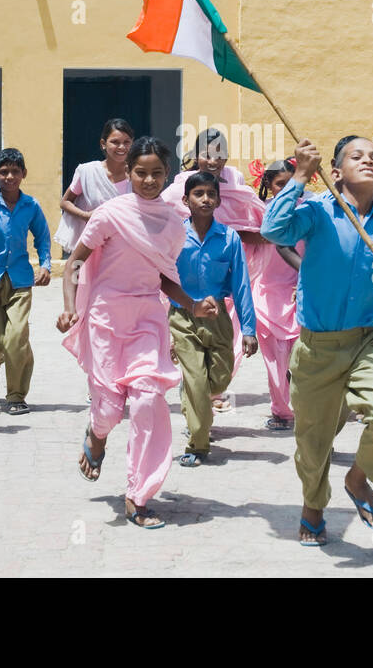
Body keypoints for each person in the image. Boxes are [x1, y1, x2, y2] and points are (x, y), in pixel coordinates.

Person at [262, 136, 373, 546]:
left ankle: (358, 481)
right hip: (317, 346)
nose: (370, 162)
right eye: (357, 157)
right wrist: (300, 177)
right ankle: (313, 507)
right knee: (313, 440)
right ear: (336, 172)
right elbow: (273, 229)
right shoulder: (318, 212)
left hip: (364, 343)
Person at [57, 137, 212, 529]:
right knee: (108, 412)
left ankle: (138, 495)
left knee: (147, 401)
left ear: (167, 174)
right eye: (140, 173)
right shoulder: (109, 214)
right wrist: (69, 307)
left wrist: (192, 305)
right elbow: (74, 263)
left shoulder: (173, 222)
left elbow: (164, 279)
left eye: (156, 173)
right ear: (128, 173)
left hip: (146, 320)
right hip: (106, 320)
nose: (148, 180)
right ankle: (97, 434)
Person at [163, 127, 267, 407]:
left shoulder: (235, 180)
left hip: (228, 266)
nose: (213, 161)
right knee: (192, 339)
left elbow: (246, 216)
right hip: (190, 274)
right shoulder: (181, 186)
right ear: (196, 156)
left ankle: (212, 389)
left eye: (220, 155)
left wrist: (253, 234)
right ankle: (199, 395)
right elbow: (166, 222)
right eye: (207, 155)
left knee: (227, 338)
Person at [171, 171, 258, 466]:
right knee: (196, 380)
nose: (205, 199)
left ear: (219, 199)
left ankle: (194, 399)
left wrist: (249, 329)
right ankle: (198, 444)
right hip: (182, 317)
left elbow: (242, 284)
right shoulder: (174, 236)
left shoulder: (229, 238)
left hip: (218, 317)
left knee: (218, 379)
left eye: (211, 194)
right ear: (186, 200)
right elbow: (163, 280)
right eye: (199, 194)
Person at [0, 148, 51, 415]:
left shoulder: (31, 206)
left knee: (16, 337)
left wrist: (46, 265)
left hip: (20, 280)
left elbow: (42, 237)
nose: (9, 176)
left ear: (23, 174)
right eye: (4, 172)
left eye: (15, 172)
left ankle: (16, 395)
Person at [253, 160, 301, 430]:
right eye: (280, 184)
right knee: (275, 358)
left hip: (298, 290)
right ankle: (281, 411)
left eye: (290, 183)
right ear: (269, 186)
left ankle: (305, 407)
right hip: (266, 293)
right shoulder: (261, 212)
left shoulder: (308, 211)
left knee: (299, 356)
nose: (285, 190)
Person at [56, 118, 133, 258]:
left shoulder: (136, 175)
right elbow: (65, 202)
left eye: (126, 142)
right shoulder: (87, 172)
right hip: (91, 249)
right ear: (103, 144)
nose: (122, 147)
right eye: (115, 142)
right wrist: (85, 216)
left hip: (126, 249)